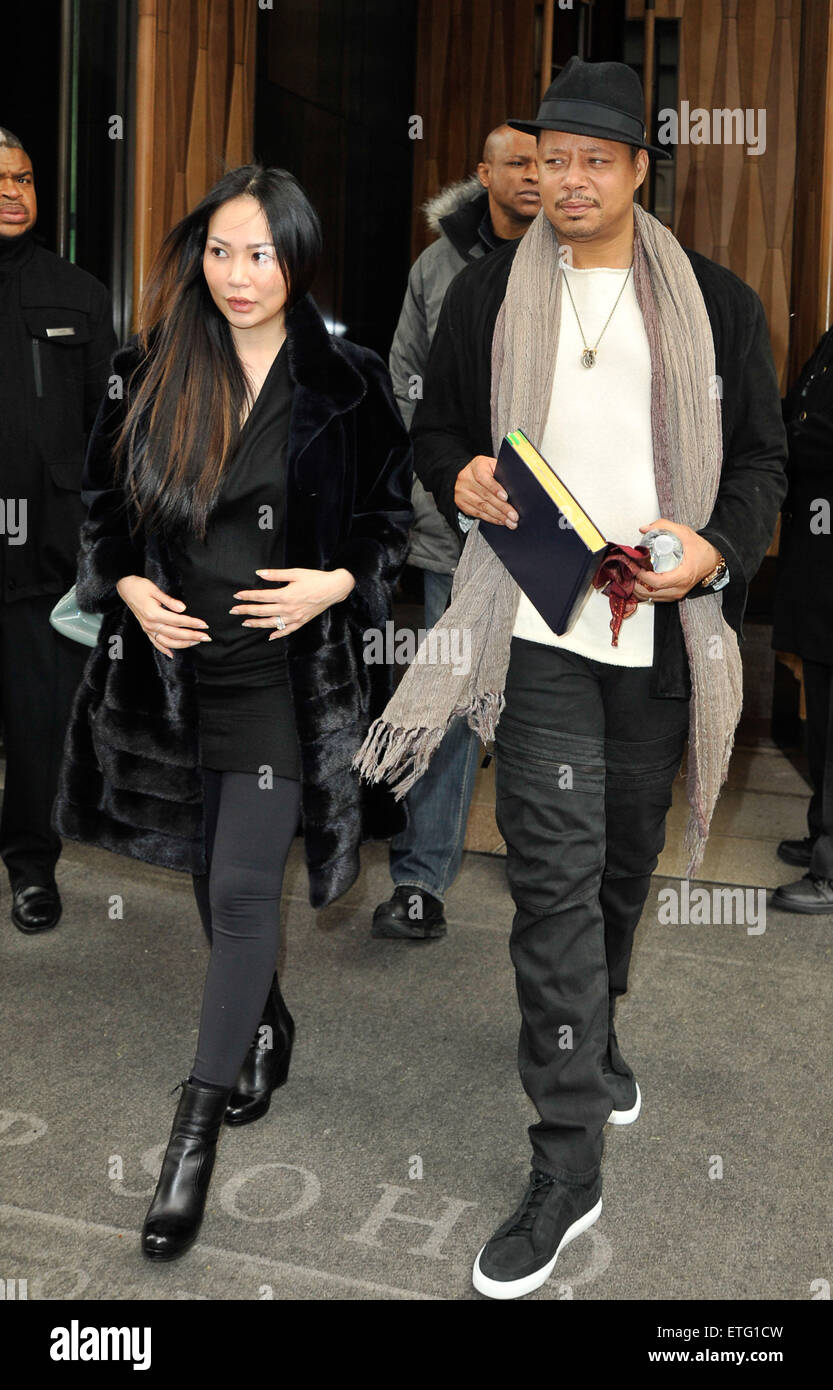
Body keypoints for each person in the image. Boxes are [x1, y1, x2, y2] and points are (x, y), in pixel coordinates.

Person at [355, 57, 787, 1298]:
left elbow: (756, 458)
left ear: (640, 170)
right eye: (550, 158)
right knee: (546, 875)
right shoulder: (485, 292)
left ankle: (593, 1029)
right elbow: (436, 428)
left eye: (594, 159)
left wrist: (713, 545)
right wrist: (463, 477)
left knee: (614, 865)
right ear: (527, 167)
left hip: (656, 632)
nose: (567, 180)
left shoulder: (714, 299)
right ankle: (564, 1156)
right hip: (535, 619)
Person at [53, 165, 412, 1260]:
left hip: (280, 685)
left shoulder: (346, 382)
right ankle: (265, 1020)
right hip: (171, 678)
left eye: (259, 252)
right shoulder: (147, 371)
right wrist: (122, 586)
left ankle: (190, 1137)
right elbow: (103, 512)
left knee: (248, 886)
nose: (237, 274)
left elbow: (388, 521)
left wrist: (334, 586)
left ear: (295, 258)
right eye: (219, 250)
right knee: (214, 882)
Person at [374, 125, 540, 940]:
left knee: (538, 708)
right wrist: (454, 470)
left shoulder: (579, 259)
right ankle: (420, 880)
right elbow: (406, 386)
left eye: (547, 160)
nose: (536, 175)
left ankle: (546, 871)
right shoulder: (436, 268)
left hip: (558, 538)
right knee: (443, 707)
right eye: (517, 162)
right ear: (483, 174)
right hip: (457, 532)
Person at [0, 126, 115, 934]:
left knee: (40, 727)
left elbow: (107, 434)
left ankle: (32, 868)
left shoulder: (77, 291)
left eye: (25, 177)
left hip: (44, 557)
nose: (13, 191)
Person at [771, 323, 833, 913]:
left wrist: (784, 439)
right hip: (818, 553)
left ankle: (832, 869)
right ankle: (822, 832)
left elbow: (813, 428)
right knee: (823, 706)